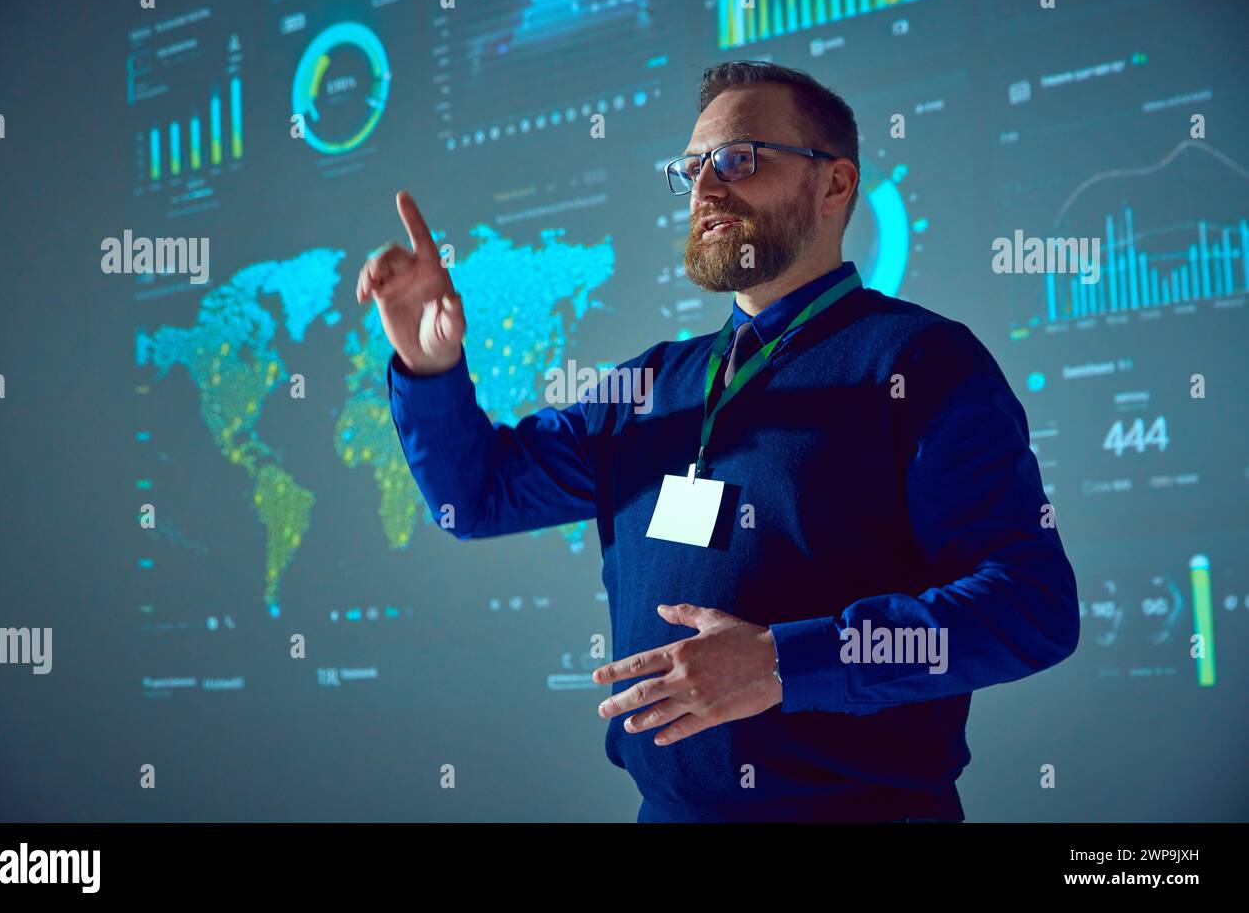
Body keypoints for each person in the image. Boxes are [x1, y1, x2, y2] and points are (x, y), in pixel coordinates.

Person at [355, 61, 1079, 823]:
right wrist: (427, 365)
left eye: (739, 159)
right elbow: (477, 497)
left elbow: (1030, 606)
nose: (705, 188)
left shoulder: (921, 363)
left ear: (834, 186)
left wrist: (783, 663)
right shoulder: (652, 386)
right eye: (692, 167)